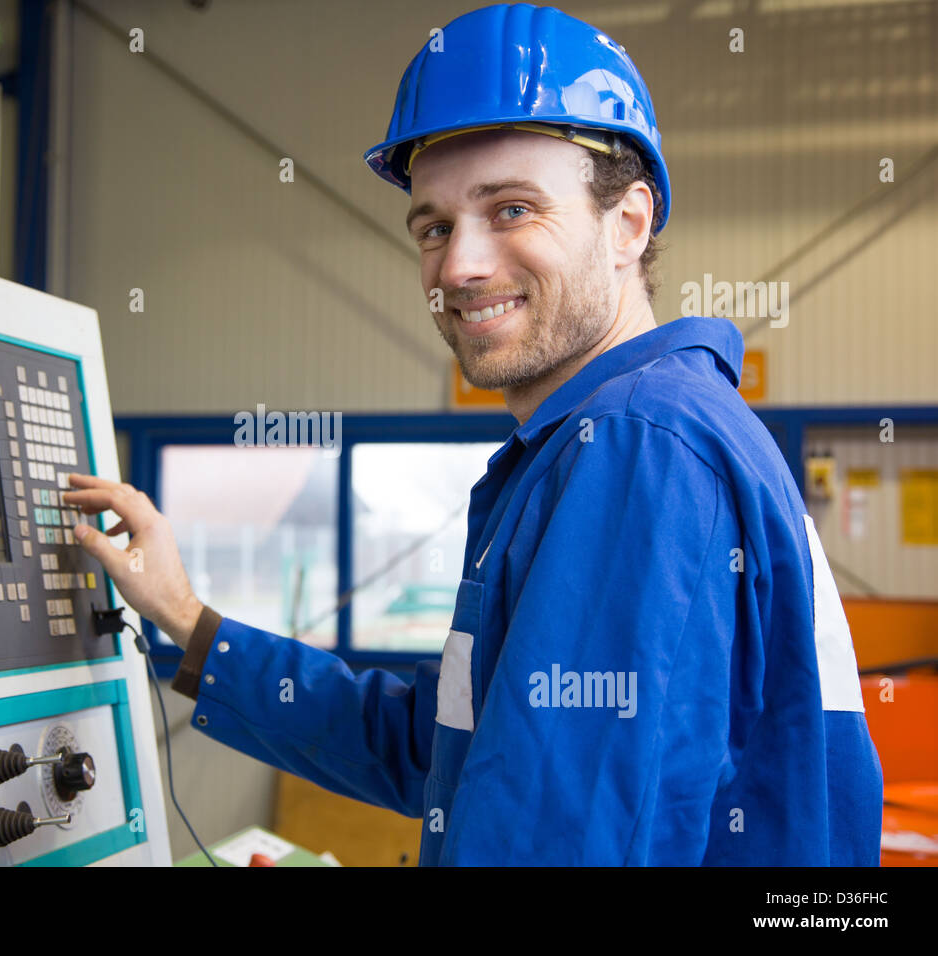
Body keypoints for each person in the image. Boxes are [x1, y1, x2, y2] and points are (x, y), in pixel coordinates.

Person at [64, 2, 884, 865]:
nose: (459, 266)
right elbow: (442, 746)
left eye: (513, 209)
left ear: (629, 223)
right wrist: (188, 621)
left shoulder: (639, 444)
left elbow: (545, 839)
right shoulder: (621, 438)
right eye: (435, 226)